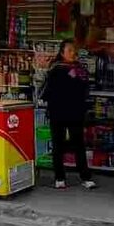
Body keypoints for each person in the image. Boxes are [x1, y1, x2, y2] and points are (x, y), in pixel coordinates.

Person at [41, 39, 95, 190]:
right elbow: (50, 91)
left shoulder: (80, 68)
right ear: (62, 52)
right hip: (58, 111)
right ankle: (59, 177)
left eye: (74, 51)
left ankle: (85, 177)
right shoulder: (55, 68)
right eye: (70, 50)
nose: (73, 53)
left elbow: (84, 86)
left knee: (78, 144)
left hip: (76, 112)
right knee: (58, 145)